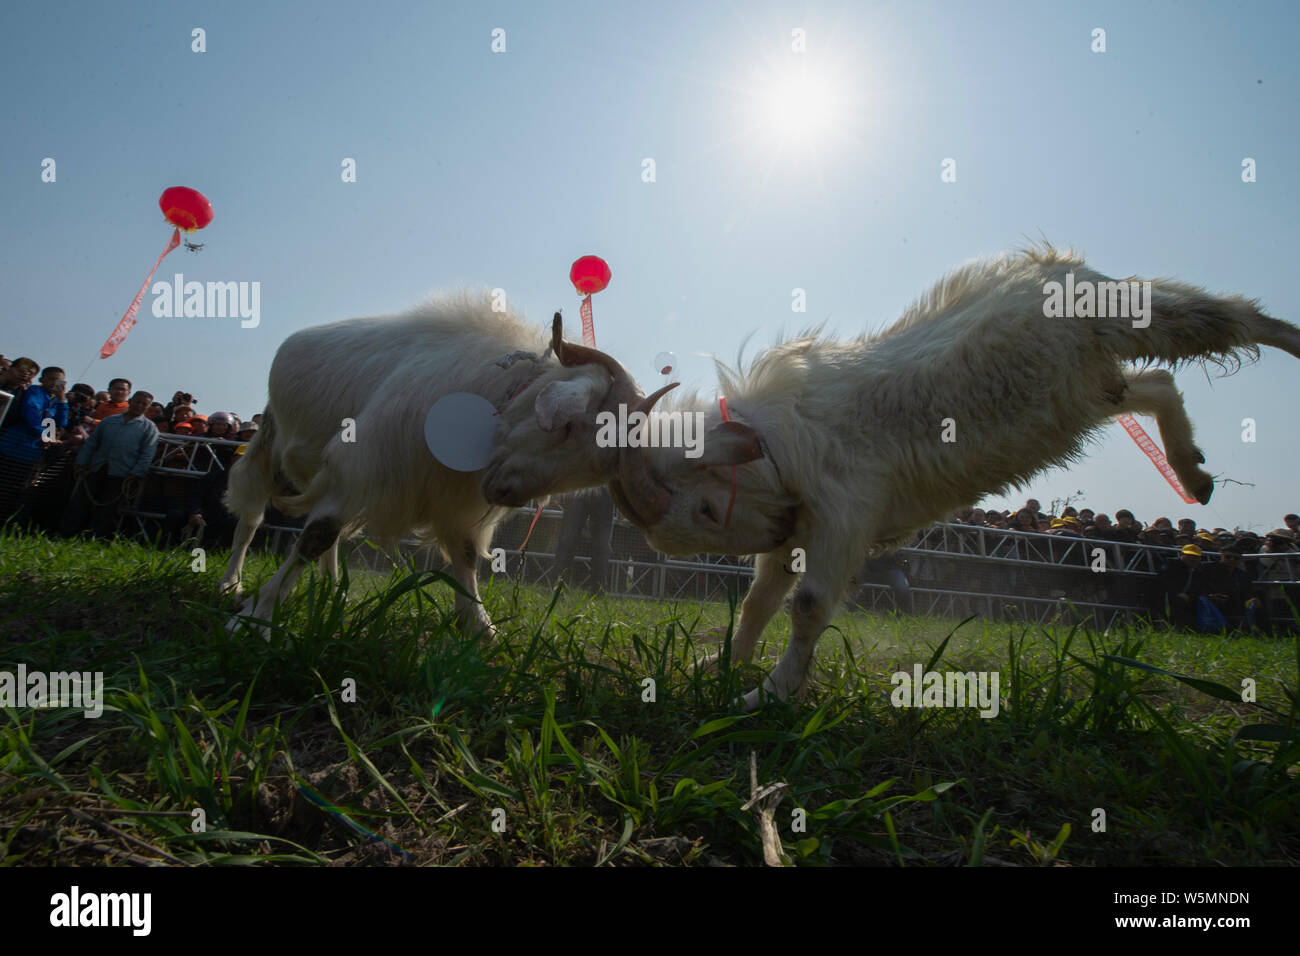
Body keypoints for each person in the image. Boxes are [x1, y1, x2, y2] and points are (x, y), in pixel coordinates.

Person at [61, 390, 158, 538]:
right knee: (80, 502)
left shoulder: (149, 428)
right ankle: (67, 534)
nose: (139, 405)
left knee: (108, 508)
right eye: (137, 402)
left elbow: (147, 453)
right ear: (130, 401)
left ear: (148, 408)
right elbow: (92, 443)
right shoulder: (109, 421)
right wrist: (82, 462)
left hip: (122, 473)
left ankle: (95, 538)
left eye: (144, 404)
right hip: (96, 468)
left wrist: (136, 473)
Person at [0, 364, 68, 520]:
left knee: (19, 490)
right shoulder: (35, 392)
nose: (53, 383)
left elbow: (59, 422)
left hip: (33, 453)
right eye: (50, 379)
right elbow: (31, 413)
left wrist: (63, 399)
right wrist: (45, 435)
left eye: (58, 382)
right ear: (42, 379)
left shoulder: (56, 400)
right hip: (15, 446)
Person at [552, 488, 615, 592]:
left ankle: (598, 592)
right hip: (579, 485)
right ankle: (559, 588)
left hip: (602, 486)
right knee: (567, 542)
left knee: (601, 546)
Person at [1151, 543, 1211, 630]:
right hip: (1167, 598)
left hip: (1188, 600)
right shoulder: (1171, 564)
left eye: (1195, 556)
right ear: (1181, 555)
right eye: (1189, 555)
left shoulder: (1199, 571)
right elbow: (1163, 582)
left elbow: (1201, 588)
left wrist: (1191, 597)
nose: (1192, 558)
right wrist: (1177, 593)